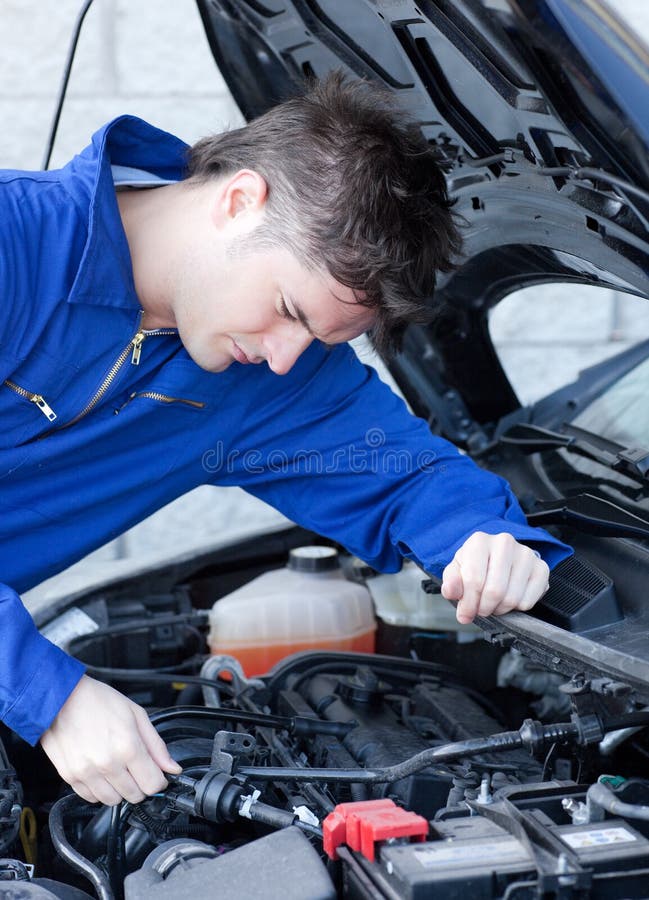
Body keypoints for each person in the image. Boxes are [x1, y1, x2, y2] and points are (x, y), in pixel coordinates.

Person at [0, 74, 571, 807]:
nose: (281, 357)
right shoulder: (15, 244)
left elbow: (405, 474)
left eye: (315, 339)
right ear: (240, 201)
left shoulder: (266, 378)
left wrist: (482, 538)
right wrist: (51, 695)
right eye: (286, 310)